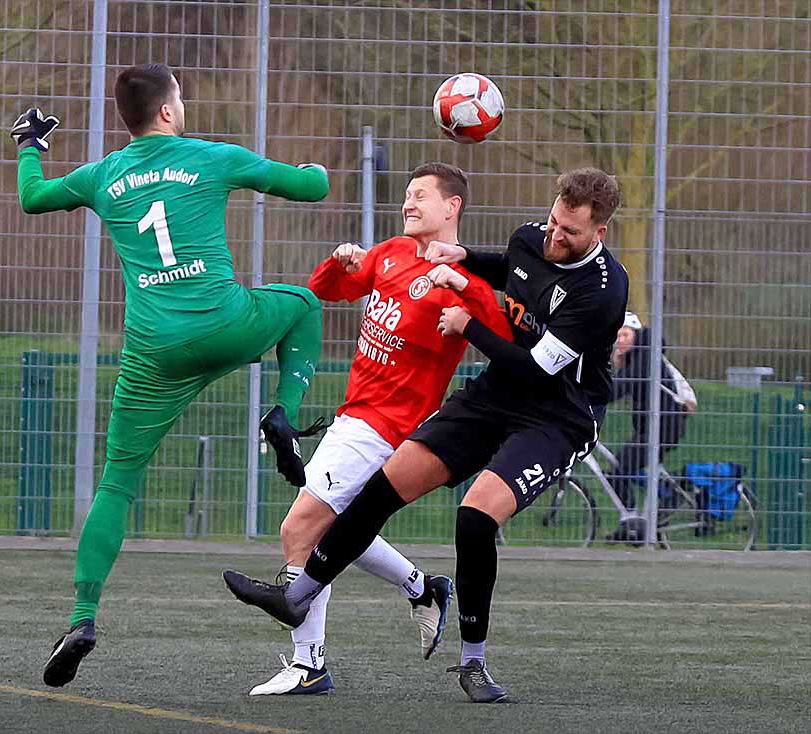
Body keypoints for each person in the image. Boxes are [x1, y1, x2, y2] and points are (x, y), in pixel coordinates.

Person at [224, 168, 629, 703]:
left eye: (570, 234)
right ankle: (303, 596)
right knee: (380, 491)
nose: (555, 237)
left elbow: (536, 367)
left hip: (559, 414)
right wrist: (464, 261)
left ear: (598, 233)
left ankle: (473, 662)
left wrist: (468, 322)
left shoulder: (603, 292)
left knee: (475, 516)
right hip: (493, 394)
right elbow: (514, 268)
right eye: (554, 221)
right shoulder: (529, 237)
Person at [12, 63, 331, 688]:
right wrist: (319, 171)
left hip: (153, 351)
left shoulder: (103, 173)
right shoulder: (210, 157)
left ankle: (82, 617)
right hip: (226, 324)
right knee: (302, 305)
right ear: (167, 110)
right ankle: (283, 413)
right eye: (179, 97)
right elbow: (309, 188)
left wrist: (29, 144)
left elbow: (32, 198)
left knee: (117, 485)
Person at [246, 163, 513, 696]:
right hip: (354, 415)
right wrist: (340, 260)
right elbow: (325, 290)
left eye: (420, 197)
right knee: (334, 525)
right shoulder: (391, 252)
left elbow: (504, 338)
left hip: (389, 428)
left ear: (452, 207)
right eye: (406, 196)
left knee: (300, 529)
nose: (408, 204)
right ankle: (423, 588)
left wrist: (464, 290)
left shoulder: (464, 282)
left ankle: (308, 664)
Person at [605, 311, 697, 544]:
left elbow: (620, 387)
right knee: (625, 466)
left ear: (636, 335)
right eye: (617, 335)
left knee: (618, 469)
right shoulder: (636, 358)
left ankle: (633, 523)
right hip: (653, 428)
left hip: (665, 427)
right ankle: (636, 519)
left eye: (625, 334)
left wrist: (590, 398)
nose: (620, 340)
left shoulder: (645, 357)